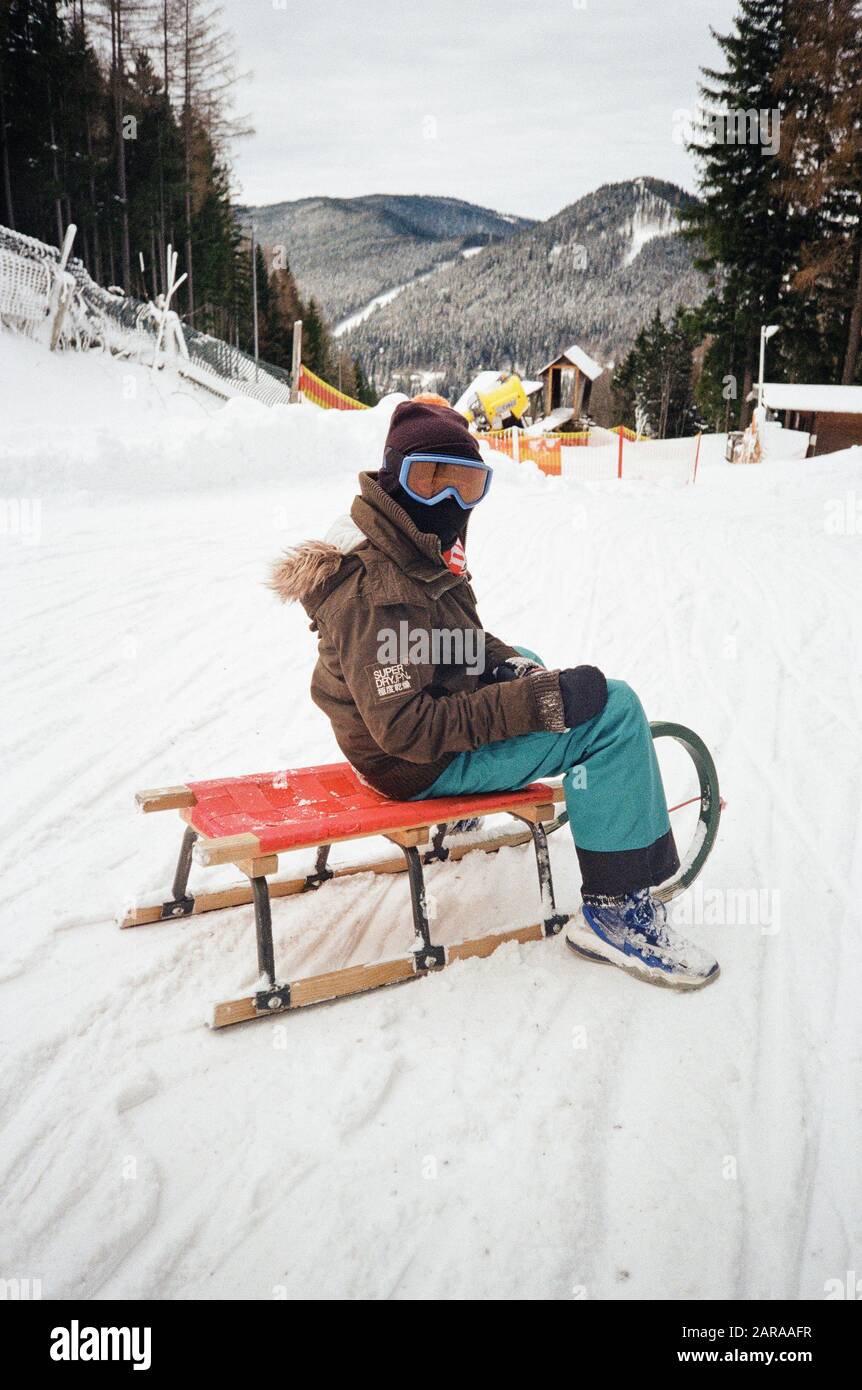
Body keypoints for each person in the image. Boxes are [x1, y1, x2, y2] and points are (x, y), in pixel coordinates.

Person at [271, 396, 718, 989]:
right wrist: (540, 704)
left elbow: (459, 640)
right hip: (410, 763)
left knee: (529, 663)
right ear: (394, 476)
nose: (451, 502)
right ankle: (615, 912)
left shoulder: (404, 541)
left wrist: (510, 670)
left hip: (397, 740)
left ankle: (484, 801)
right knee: (614, 712)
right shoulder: (378, 590)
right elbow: (406, 729)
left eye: (468, 484)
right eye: (430, 480)